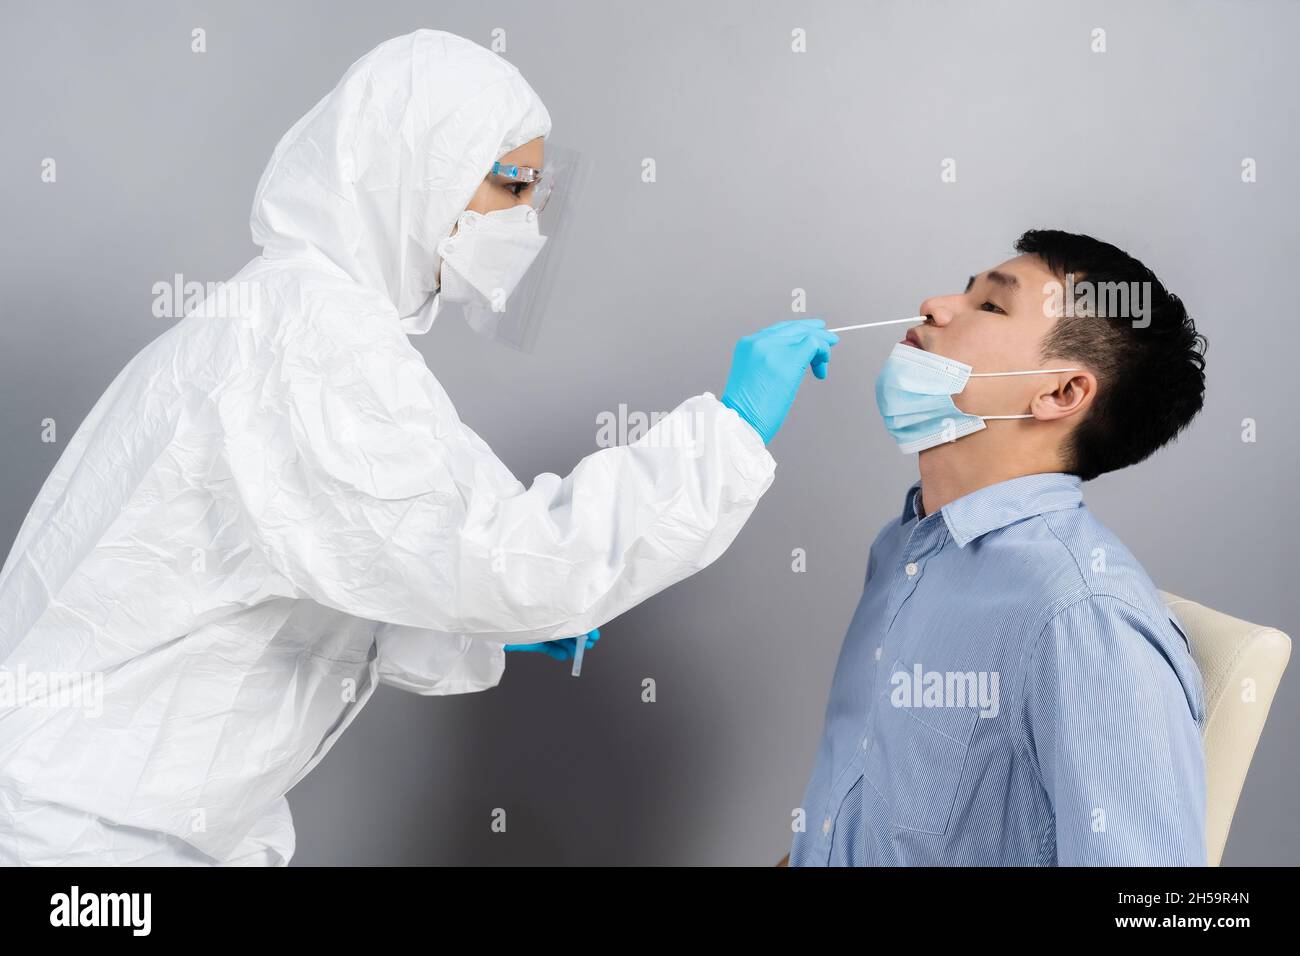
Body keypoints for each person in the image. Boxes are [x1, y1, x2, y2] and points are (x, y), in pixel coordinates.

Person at [0, 30, 836, 866]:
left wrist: (473, 634)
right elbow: (507, 558)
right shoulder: (311, 343)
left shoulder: (288, 316)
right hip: (80, 841)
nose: (526, 222)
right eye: (509, 186)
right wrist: (729, 433)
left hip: (113, 820)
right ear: (413, 174)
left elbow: (313, 563)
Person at [786, 229, 1208, 866]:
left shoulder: (1084, 619)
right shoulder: (905, 549)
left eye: (989, 305)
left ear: (1061, 393)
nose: (934, 305)